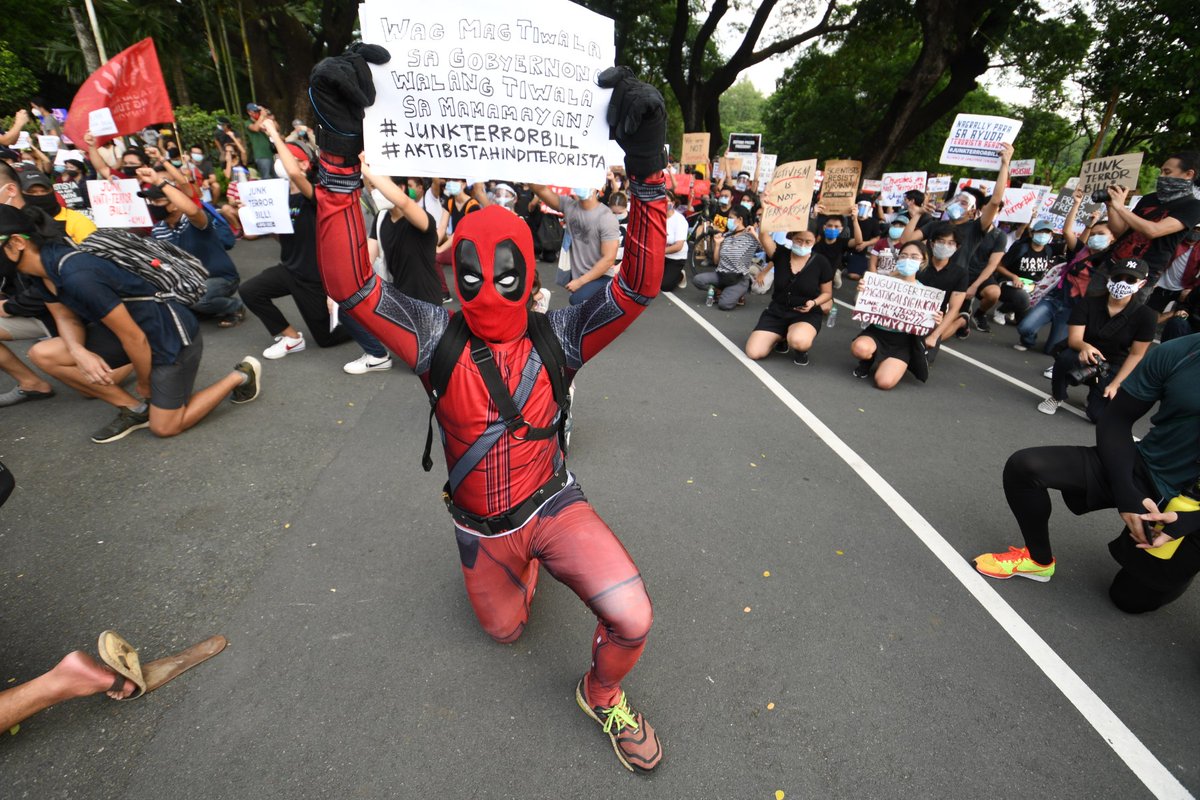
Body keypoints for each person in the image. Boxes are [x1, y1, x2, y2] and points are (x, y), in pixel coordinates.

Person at [309, 45, 665, 772]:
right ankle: (519, 571)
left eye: (505, 276)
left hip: (553, 503)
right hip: (481, 526)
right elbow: (350, 284)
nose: (488, 288)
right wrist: (337, 158)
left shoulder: (560, 337)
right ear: (454, 273)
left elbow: (637, 285)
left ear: (528, 274)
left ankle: (601, 693)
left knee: (632, 617)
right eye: (471, 275)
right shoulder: (432, 337)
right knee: (505, 632)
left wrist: (650, 172)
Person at [975, 333, 1200, 614]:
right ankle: (1038, 560)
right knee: (1025, 467)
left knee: (1128, 599)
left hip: (1193, 506)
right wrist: (1126, 493)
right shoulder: (1180, 351)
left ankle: (1180, 565)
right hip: (1148, 466)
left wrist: (1192, 521)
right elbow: (1116, 419)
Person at [1, 205, 261, 443]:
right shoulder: (38, 271)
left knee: (164, 427)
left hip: (169, 336)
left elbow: (136, 338)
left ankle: (240, 376)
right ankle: (135, 409)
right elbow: (65, 317)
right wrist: (78, 351)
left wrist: (145, 384)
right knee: (44, 353)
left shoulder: (76, 273)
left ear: (17, 243)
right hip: (129, 334)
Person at [237, 119, 383, 365]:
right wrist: (254, 217)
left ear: (304, 164)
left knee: (326, 338)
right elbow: (280, 236)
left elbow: (294, 173)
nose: (279, 162)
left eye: (285, 158)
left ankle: (371, 322)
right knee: (250, 291)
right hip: (289, 269)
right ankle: (291, 338)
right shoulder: (280, 197)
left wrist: (274, 134)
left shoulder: (316, 194)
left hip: (313, 277)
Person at [1037, 257, 1156, 421]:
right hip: (1083, 355)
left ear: (1142, 284)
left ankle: (1096, 391)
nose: (1122, 283)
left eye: (1130, 280)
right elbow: (1074, 339)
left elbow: (1136, 355)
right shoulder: (1089, 303)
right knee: (1065, 357)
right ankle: (1057, 396)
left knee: (1097, 416)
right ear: (1109, 277)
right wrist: (1084, 347)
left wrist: (1116, 384)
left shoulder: (1147, 316)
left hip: (1113, 363)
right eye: (1118, 277)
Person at [137, 167, 245, 327]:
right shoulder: (158, 230)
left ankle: (234, 306)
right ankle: (204, 307)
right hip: (189, 281)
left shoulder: (195, 221)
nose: (153, 205)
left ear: (175, 205)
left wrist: (159, 181)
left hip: (219, 277)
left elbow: (193, 211)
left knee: (198, 299)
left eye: (158, 201)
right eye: (150, 202)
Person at [1015, 189, 1108, 353]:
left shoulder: (1109, 261)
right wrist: (1076, 204)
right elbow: (1067, 232)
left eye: (1101, 234)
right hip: (1054, 300)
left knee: (1052, 350)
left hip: (1073, 310)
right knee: (1025, 328)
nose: (1095, 237)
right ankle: (1029, 340)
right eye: (1093, 234)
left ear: (1113, 238)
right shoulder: (1080, 251)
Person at [1098, 152, 1200, 288]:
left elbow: (1153, 231)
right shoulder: (1149, 199)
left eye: (1167, 172)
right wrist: (1111, 206)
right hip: (1111, 265)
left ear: (1188, 174)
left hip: (1138, 277)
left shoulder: (1193, 206)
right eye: (1161, 172)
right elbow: (1120, 232)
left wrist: (1120, 207)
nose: (1161, 176)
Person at [850, 240, 943, 389]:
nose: (908, 260)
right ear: (898, 259)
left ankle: (893, 363)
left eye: (914, 257)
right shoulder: (881, 283)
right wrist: (863, 292)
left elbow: (926, 326)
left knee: (884, 382)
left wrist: (936, 321)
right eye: (904, 256)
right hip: (877, 333)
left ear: (923, 261)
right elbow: (863, 307)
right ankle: (868, 360)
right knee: (860, 349)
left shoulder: (926, 294)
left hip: (903, 342)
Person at [745, 228, 833, 365]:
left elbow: (827, 293)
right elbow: (763, 235)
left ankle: (800, 349)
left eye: (808, 241)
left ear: (816, 240)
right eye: (799, 240)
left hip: (805, 313)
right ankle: (781, 337)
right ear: (791, 237)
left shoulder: (821, 262)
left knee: (799, 341)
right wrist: (766, 216)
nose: (802, 245)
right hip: (777, 311)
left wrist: (814, 303)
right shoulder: (780, 254)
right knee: (754, 352)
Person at [531, 182, 619, 305]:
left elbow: (609, 259)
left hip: (601, 278)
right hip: (578, 279)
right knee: (577, 305)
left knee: (577, 300)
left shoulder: (606, 217)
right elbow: (540, 190)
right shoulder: (569, 206)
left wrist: (580, 282)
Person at [992, 219, 1056, 325]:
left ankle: (1014, 309)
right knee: (1021, 297)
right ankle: (1002, 310)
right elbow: (998, 266)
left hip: (1031, 289)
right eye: (1040, 231)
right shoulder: (1021, 248)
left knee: (1024, 323)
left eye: (1047, 233)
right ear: (1032, 233)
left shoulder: (1048, 250)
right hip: (1010, 284)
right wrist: (1013, 277)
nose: (1043, 235)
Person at [692, 204, 756, 310]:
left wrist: (754, 233)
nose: (728, 220)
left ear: (740, 219)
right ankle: (721, 290)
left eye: (731, 218)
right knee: (697, 280)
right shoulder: (727, 235)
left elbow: (766, 249)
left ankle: (736, 295)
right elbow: (716, 262)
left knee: (724, 305)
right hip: (721, 275)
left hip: (738, 279)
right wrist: (717, 244)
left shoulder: (750, 237)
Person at [661, 192, 689, 292]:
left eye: (666, 201)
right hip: (660, 256)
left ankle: (680, 275)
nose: (663, 203)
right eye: (661, 201)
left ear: (672, 203)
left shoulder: (680, 220)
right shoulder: (657, 217)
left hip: (676, 257)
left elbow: (678, 246)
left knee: (665, 286)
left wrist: (659, 252)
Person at [244, 103, 277, 180]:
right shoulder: (248, 122)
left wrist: (269, 117)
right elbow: (255, 128)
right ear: (249, 112)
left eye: (258, 111)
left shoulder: (263, 120)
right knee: (266, 177)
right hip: (261, 155)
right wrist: (262, 116)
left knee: (276, 177)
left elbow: (276, 128)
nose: (257, 113)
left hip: (271, 153)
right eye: (255, 111)